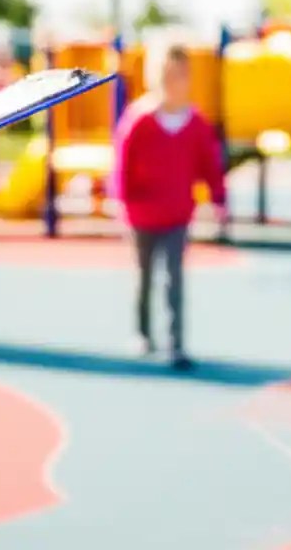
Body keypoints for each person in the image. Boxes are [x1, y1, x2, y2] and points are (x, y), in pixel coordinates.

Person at [110, 45, 226, 370]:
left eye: (180, 75)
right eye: (167, 75)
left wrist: (218, 196)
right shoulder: (140, 119)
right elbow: (122, 164)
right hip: (142, 215)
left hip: (177, 214)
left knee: (174, 278)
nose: (174, 82)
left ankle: (175, 343)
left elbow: (209, 164)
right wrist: (121, 200)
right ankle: (143, 332)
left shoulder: (195, 122)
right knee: (144, 275)